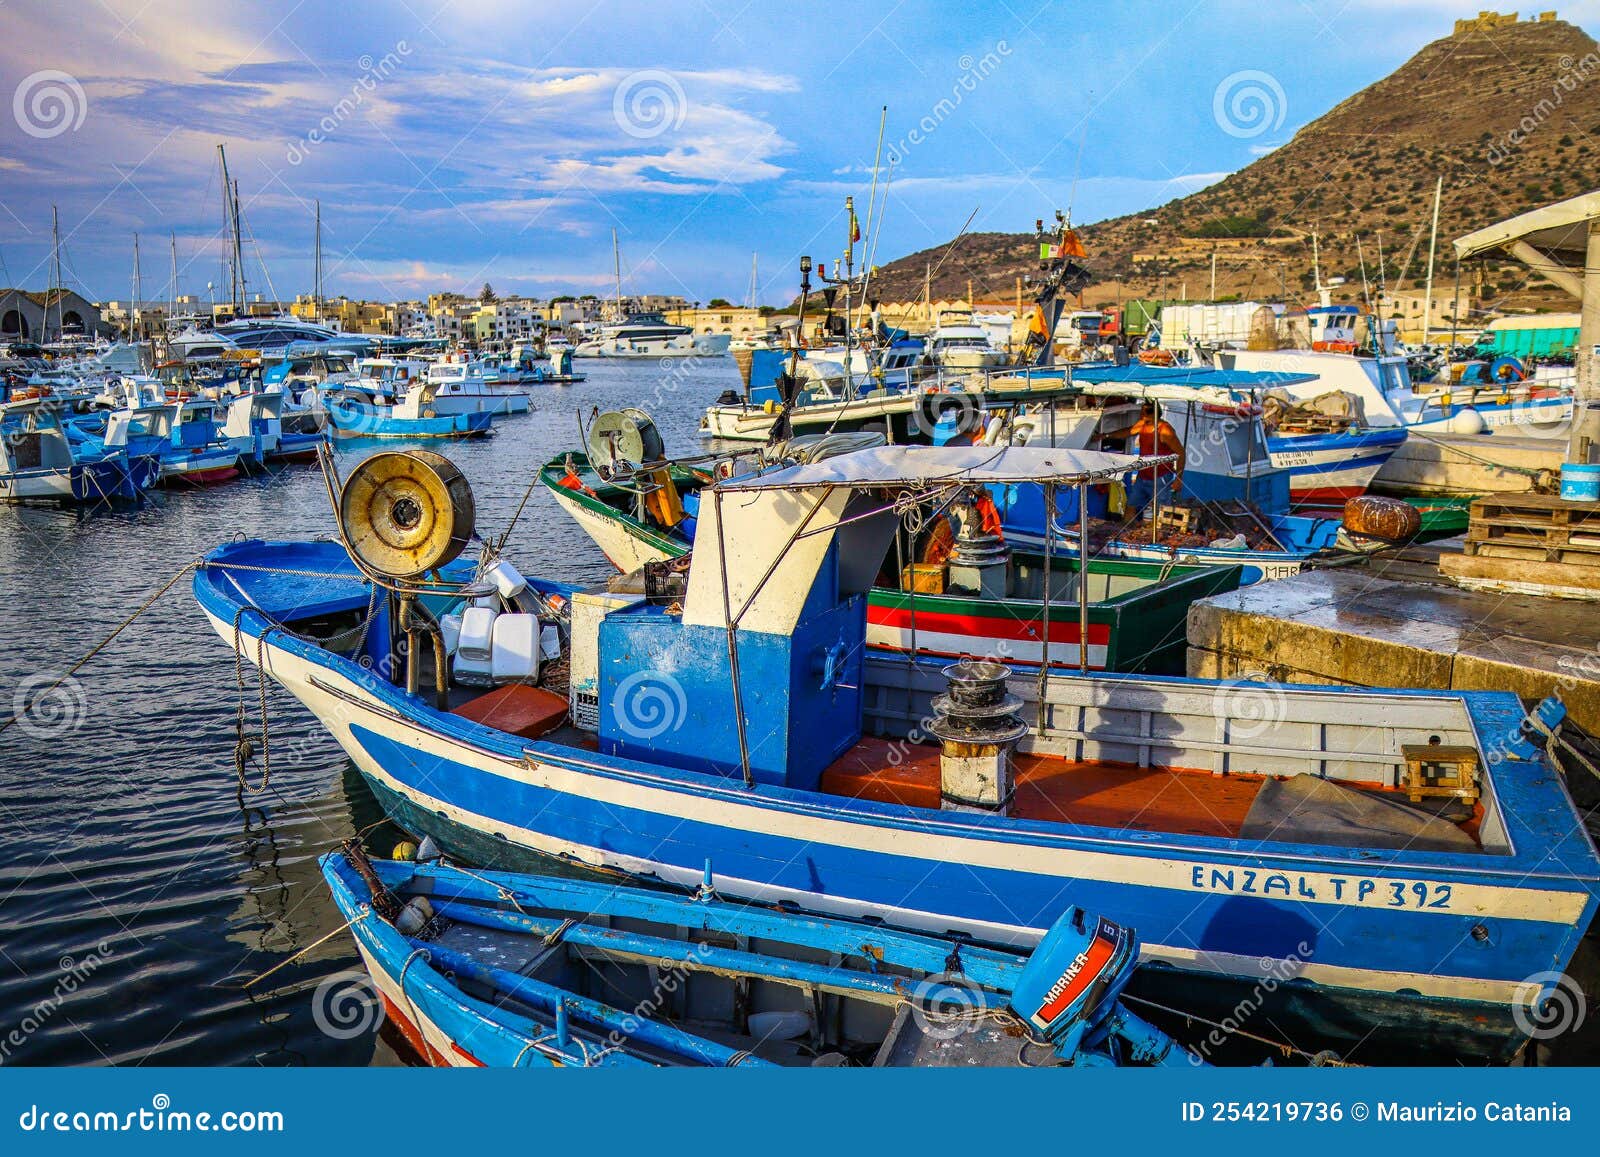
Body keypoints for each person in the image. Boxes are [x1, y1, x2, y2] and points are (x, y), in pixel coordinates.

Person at [1126, 401, 1185, 514]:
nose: (1141, 415)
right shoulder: (1142, 424)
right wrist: (1105, 435)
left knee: (1160, 511)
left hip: (1160, 477)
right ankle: (1129, 524)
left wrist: (1178, 478)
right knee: (1131, 505)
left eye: (1144, 412)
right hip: (1143, 476)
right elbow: (1128, 431)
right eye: (1142, 412)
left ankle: (1157, 525)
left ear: (1153, 414)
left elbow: (1181, 453)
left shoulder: (1165, 430)